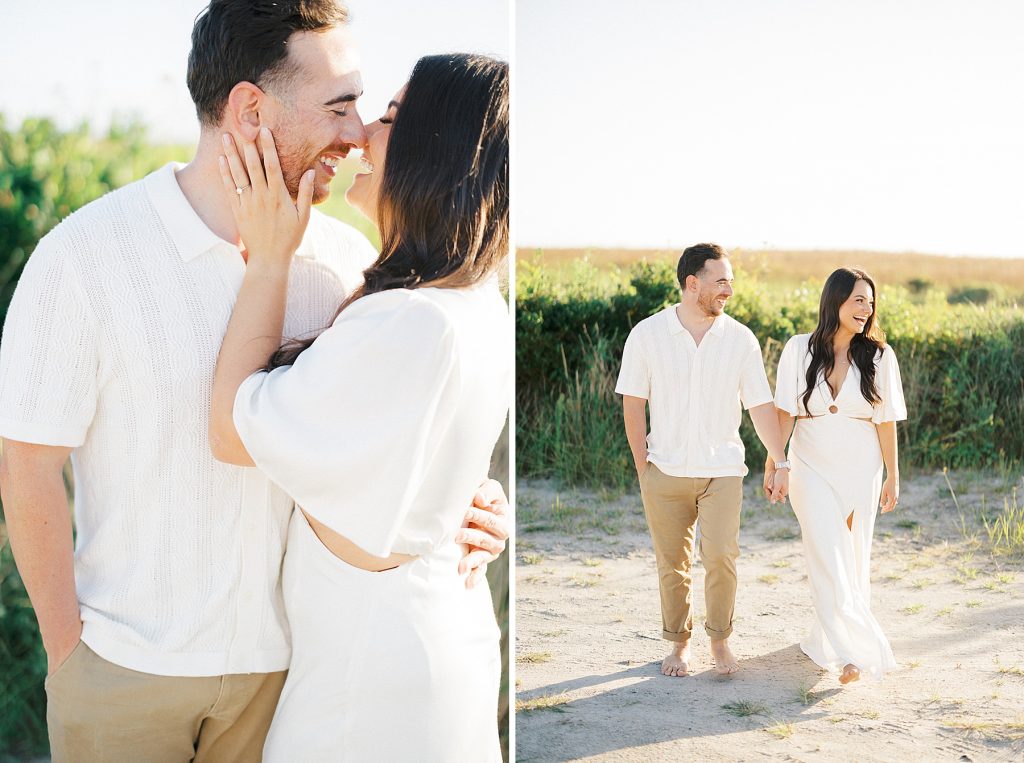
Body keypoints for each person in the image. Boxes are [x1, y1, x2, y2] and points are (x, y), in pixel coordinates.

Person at [0, 3, 506, 760]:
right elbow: (27, 462)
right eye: (340, 105)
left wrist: (466, 498)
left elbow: (399, 428)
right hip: (127, 675)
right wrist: (70, 655)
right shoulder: (85, 256)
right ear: (248, 107)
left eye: (366, 107)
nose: (358, 132)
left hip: (288, 676)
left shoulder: (346, 265)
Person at [207, 52, 508, 760]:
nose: (364, 132)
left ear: (439, 151)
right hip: (417, 648)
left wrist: (273, 258)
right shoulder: (473, 302)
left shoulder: (411, 321)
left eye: (392, 118)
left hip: (369, 686)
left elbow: (229, 427)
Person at [616, 243, 790, 677]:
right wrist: (643, 467)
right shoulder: (647, 335)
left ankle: (719, 641)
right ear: (693, 284)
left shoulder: (741, 340)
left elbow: (760, 405)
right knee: (671, 565)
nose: (729, 290)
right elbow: (633, 404)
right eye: (721, 281)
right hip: (664, 470)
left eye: (731, 281)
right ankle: (677, 646)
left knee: (721, 557)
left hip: (722, 471)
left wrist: (780, 460)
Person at [768, 267, 905, 685]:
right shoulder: (798, 349)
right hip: (809, 465)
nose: (866, 308)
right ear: (836, 301)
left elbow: (885, 421)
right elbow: (783, 413)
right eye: (857, 300)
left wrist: (893, 477)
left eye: (870, 301)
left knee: (852, 557)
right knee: (825, 551)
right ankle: (852, 653)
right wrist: (776, 464)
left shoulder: (880, 355)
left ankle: (825, 637)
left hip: (862, 470)